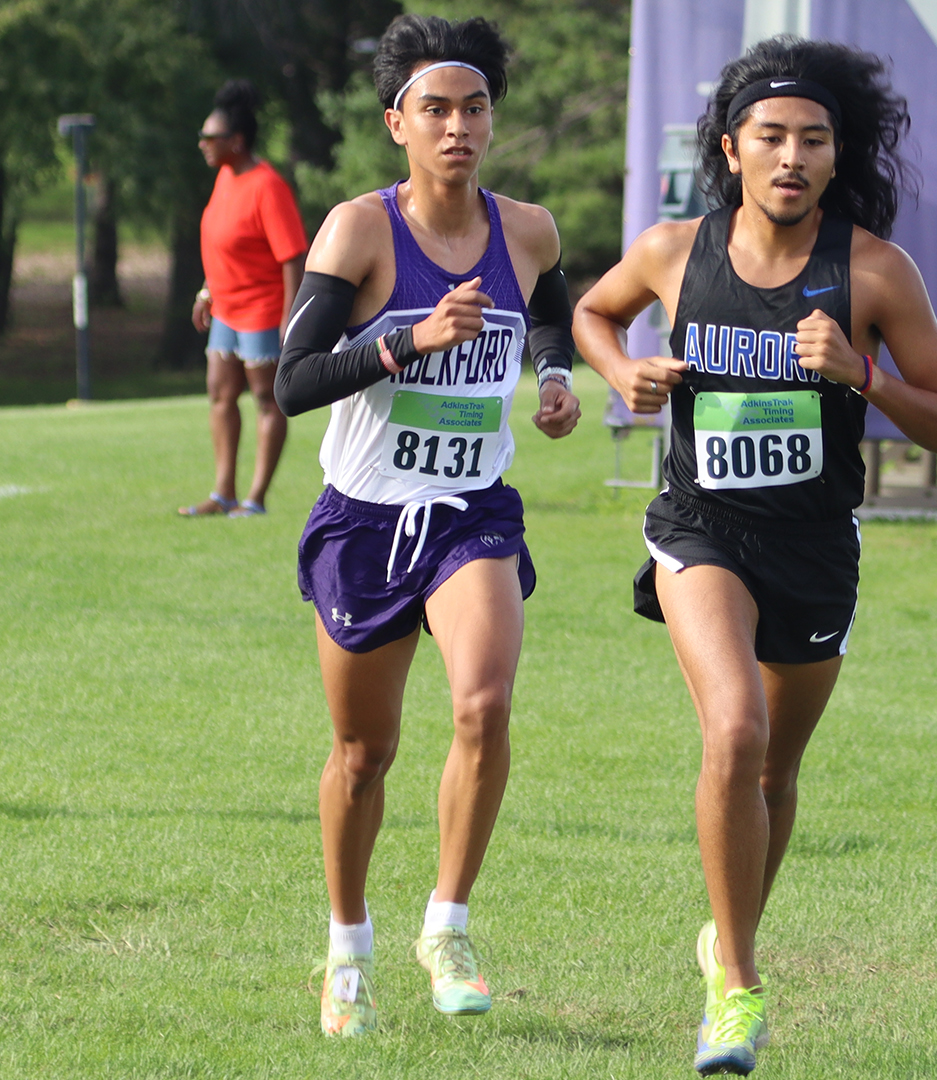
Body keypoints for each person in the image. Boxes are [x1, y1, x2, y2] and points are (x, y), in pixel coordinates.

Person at [574, 37, 937, 1075]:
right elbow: (591, 311)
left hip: (814, 544)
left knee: (776, 771)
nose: (791, 156)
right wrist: (623, 373)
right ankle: (738, 987)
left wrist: (863, 375)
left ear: (836, 158)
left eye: (813, 140)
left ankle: (726, 930)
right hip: (701, 527)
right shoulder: (673, 249)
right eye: (771, 137)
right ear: (732, 149)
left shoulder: (875, 271)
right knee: (735, 731)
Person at [275, 14, 582, 1037]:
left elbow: (552, 308)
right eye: (436, 109)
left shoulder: (526, 229)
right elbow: (292, 382)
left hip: (470, 514)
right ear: (397, 122)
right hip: (364, 521)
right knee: (364, 751)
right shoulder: (359, 231)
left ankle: (446, 921)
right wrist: (405, 342)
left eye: (475, 107)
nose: (458, 126)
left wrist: (551, 377)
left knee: (484, 705)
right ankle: (347, 947)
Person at [180, 80, 307, 518]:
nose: (202, 144)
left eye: (209, 137)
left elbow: (292, 256)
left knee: (266, 400)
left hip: (262, 311)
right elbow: (222, 242)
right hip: (226, 309)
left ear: (236, 141)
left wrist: (290, 317)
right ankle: (223, 493)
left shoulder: (267, 186)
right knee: (219, 394)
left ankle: (255, 498)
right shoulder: (224, 179)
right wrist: (206, 290)